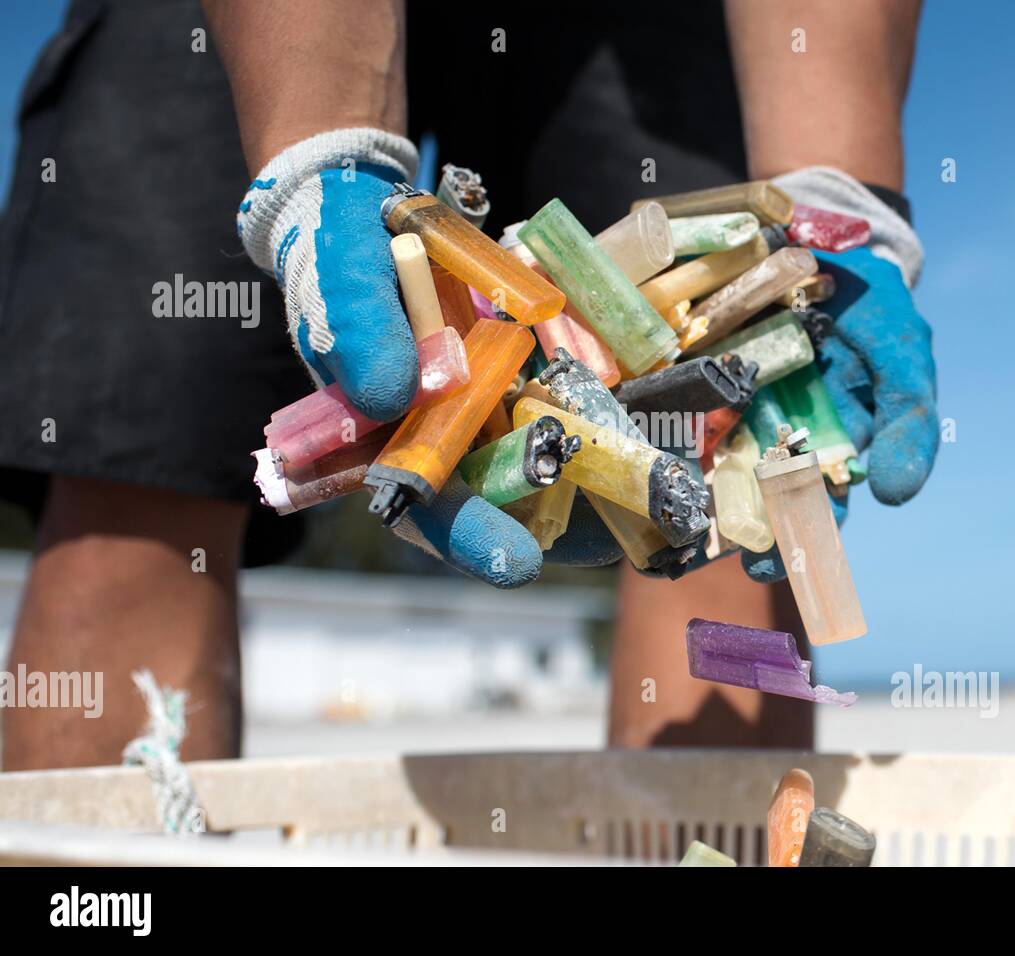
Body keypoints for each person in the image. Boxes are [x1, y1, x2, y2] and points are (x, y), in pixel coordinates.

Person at [0, 0, 936, 769]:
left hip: (662, 40)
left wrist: (835, 188)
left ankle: (698, 834)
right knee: (138, 449)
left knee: (730, 502)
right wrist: (312, 160)